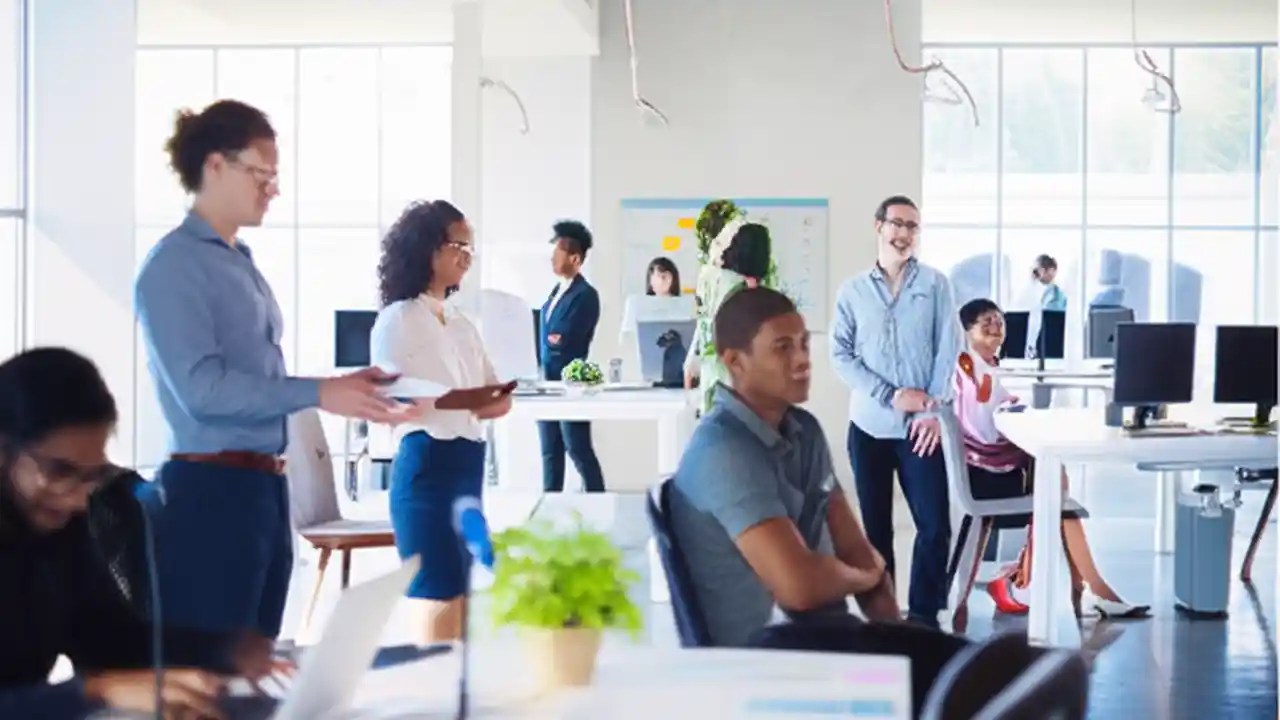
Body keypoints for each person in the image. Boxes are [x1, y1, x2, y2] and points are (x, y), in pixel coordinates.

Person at [669, 288, 1037, 714]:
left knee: (1011, 670)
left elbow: (857, 550)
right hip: (763, 661)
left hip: (826, 640)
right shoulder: (723, 448)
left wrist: (901, 643)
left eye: (804, 344)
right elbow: (801, 587)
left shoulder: (803, 432)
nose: (803, 360)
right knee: (994, 689)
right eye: (783, 347)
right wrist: (860, 577)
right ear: (735, 361)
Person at [134, 99, 411, 639]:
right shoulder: (173, 266)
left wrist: (343, 389)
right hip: (208, 493)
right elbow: (202, 391)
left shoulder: (240, 260)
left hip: (263, 489)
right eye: (261, 174)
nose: (272, 189)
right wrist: (318, 393)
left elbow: (257, 376)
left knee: (257, 659)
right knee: (213, 666)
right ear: (215, 166)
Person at [0, 348, 282, 719]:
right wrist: (98, 691)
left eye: (92, 475)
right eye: (60, 472)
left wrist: (223, 650)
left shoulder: (61, 526)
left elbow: (107, 637)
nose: (81, 499)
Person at [951, 299, 1149, 628]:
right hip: (984, 473)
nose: (996, 328)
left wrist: (1012, 410)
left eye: (999, 321)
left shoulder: (989, 367)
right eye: (987, 323)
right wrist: (1013, 416)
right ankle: (1089, 590)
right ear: (967, 331)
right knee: (1057, 494)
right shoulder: (968, 368)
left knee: (1057, 490)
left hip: (993, 468)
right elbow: (983, 427)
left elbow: (994, 411)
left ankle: (1084, 588)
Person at [370, 200, 512, 644]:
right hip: (428, 469)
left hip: (467, 468)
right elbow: (399, 394)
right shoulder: (398, 319)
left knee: (463, 599)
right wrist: (470, 399)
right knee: (437, 595)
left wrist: (493, 400)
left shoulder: (460, 322)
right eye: (458, 246)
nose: (467, 257)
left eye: (471, 248)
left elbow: (489, 391)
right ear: (427, 248)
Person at [830, 195, 961, 629]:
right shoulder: (852, 291)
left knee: (934, 524)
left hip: (921, 427)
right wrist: (890, 395)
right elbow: (841, 356)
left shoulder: (936, 285)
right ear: (879, 226)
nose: (904, 234)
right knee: (875, 530)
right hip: (868, 427)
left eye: (912, 227)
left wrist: (930, 410)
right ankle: (882, 618)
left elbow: (948, 349)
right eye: (897, 224)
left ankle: (924, 616)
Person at [538, 220, 606, 493]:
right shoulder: (556, 292)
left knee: (577, 448)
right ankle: (548, 505)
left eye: (558, 253)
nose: (552, 258)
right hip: (546, 381)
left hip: (570, 386)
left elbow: (563, 337)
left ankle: (598, 500)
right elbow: (548, 334)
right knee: (550, 450)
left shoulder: (586, 295)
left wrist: (553, 338)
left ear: (575, 259)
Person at [684, 218, 773, 412]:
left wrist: (691, 361)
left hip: (709, 374)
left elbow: (702, 325)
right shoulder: (744, 290)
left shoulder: (706, 278)